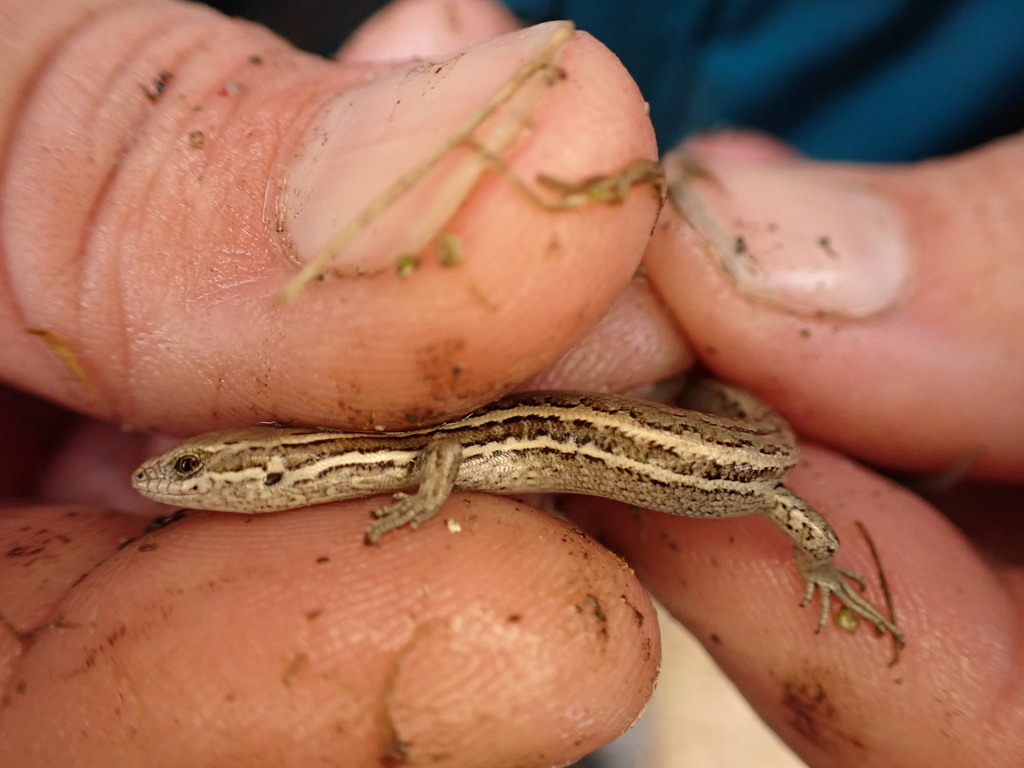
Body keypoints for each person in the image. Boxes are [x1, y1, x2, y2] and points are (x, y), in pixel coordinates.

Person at [1, 0, 1021, 765]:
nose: (174, 480)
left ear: (263, 473)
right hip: (634, 418)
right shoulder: (361, 449)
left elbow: (447, 452)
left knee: (786, 505)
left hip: (719, 464)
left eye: (194, 472)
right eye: (192, 472)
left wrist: (419, 505)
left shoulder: (402, 457)